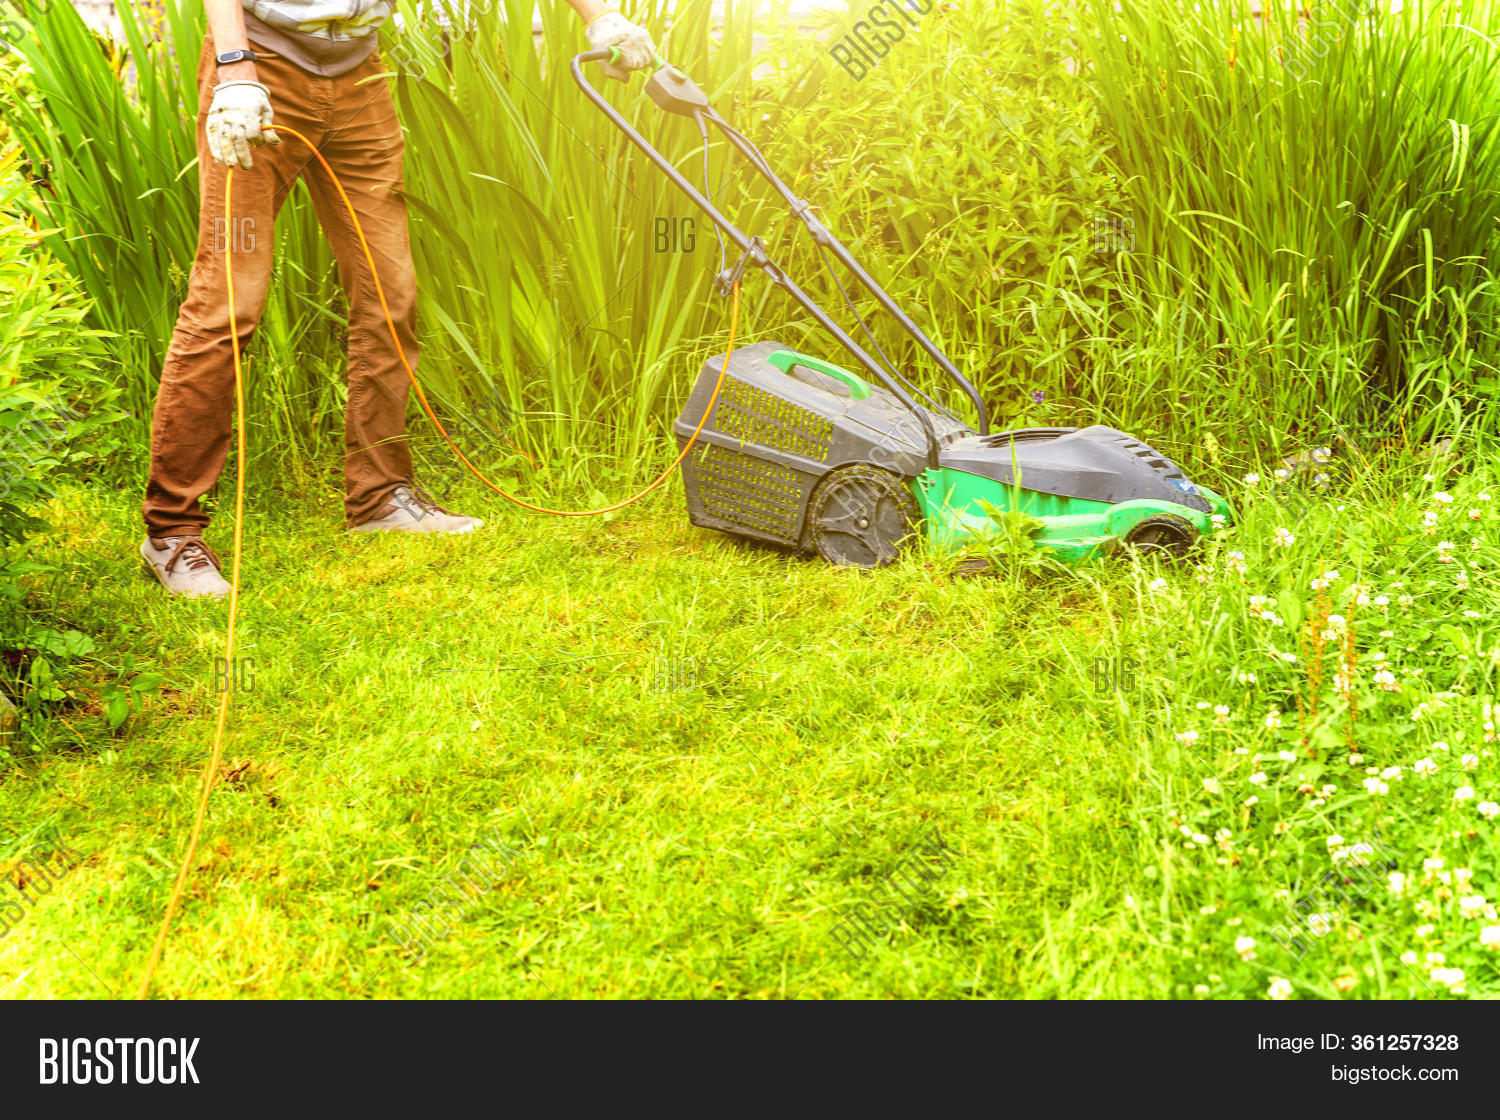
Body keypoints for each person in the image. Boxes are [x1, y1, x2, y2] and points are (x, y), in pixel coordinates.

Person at [141, 0, 657, 597]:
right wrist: (233, 69)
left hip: (359, 81)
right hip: (258, 78)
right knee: (229, 302)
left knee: (390, 292)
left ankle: (379, 495)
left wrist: (602, 18)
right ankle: (171, 532)